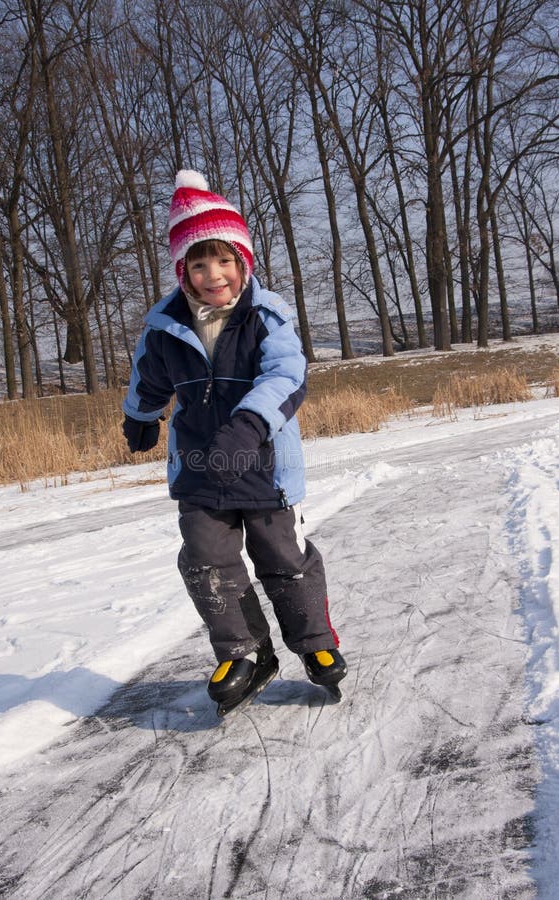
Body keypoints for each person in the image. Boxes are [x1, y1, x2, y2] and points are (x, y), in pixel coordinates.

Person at [122, 170, 346, 711]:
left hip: (264, 464)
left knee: (282, 558)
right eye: (198, 263)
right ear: (183, 270)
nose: (212, 274)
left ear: (243, 261)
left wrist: (247, 427)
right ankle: (243, 651)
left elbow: (286, 377)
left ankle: (315, 643)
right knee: (206, 561)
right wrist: (140, 414)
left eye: (223, 260)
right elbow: (147, 376)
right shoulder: (165, 326)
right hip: (199, 468)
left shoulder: (266, 317)